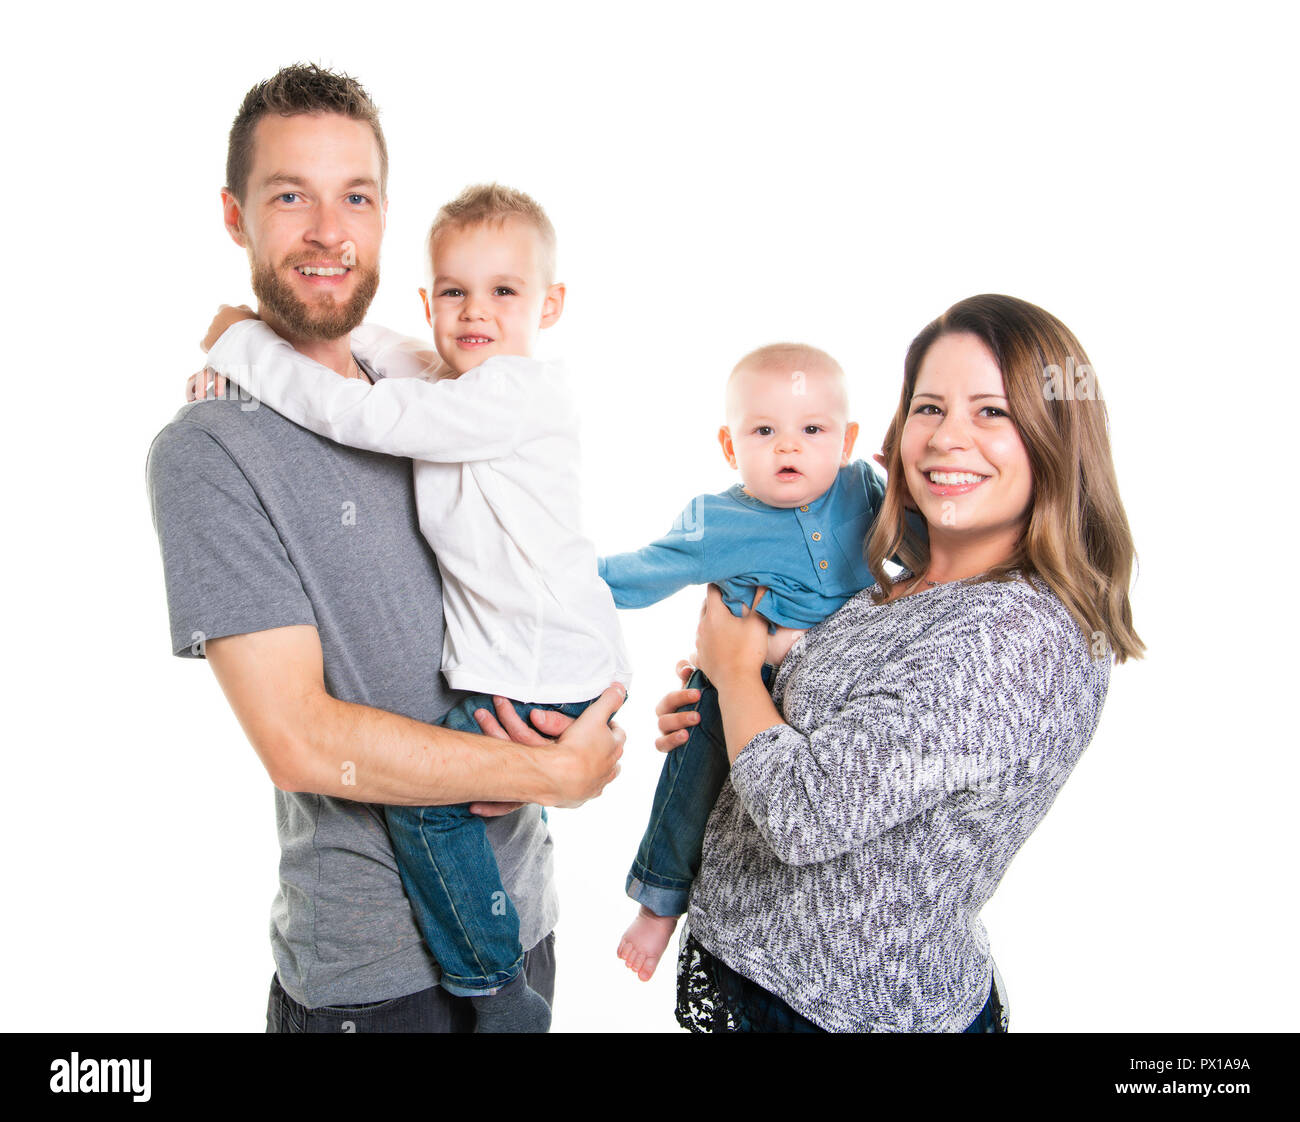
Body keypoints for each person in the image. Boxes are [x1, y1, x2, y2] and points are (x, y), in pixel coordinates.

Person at [145, 64, 625, 1034]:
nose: (328, 229)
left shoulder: (441, 382)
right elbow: (300, 741)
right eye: (291, 196)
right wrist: (556, 772)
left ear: (383, 214)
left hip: (527, 914)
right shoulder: (211, 448)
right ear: (235, 217)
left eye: (354, 196)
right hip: (377, 981)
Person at [655, 294, 1143, 1032]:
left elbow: (806, 813)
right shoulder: (898, 573)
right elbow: (816, 715)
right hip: (751, 971)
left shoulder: (1014, 636)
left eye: (992, 412)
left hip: (844, 1012)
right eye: (928, 408)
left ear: (1053, 436)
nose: (949, 438)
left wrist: (732, 674)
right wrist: (725, 699)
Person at [600, 343, 886, 981]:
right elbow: (644, 572)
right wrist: (562, 575)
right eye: (765, 432)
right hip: (743, 673)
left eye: (813, 430)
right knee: (690, 770)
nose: (790, 448)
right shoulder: (718, 522)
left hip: (835, 682)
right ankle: (660, 899)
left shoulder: (863, 487)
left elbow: (918, 546)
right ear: (731, 447)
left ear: (848, 440)